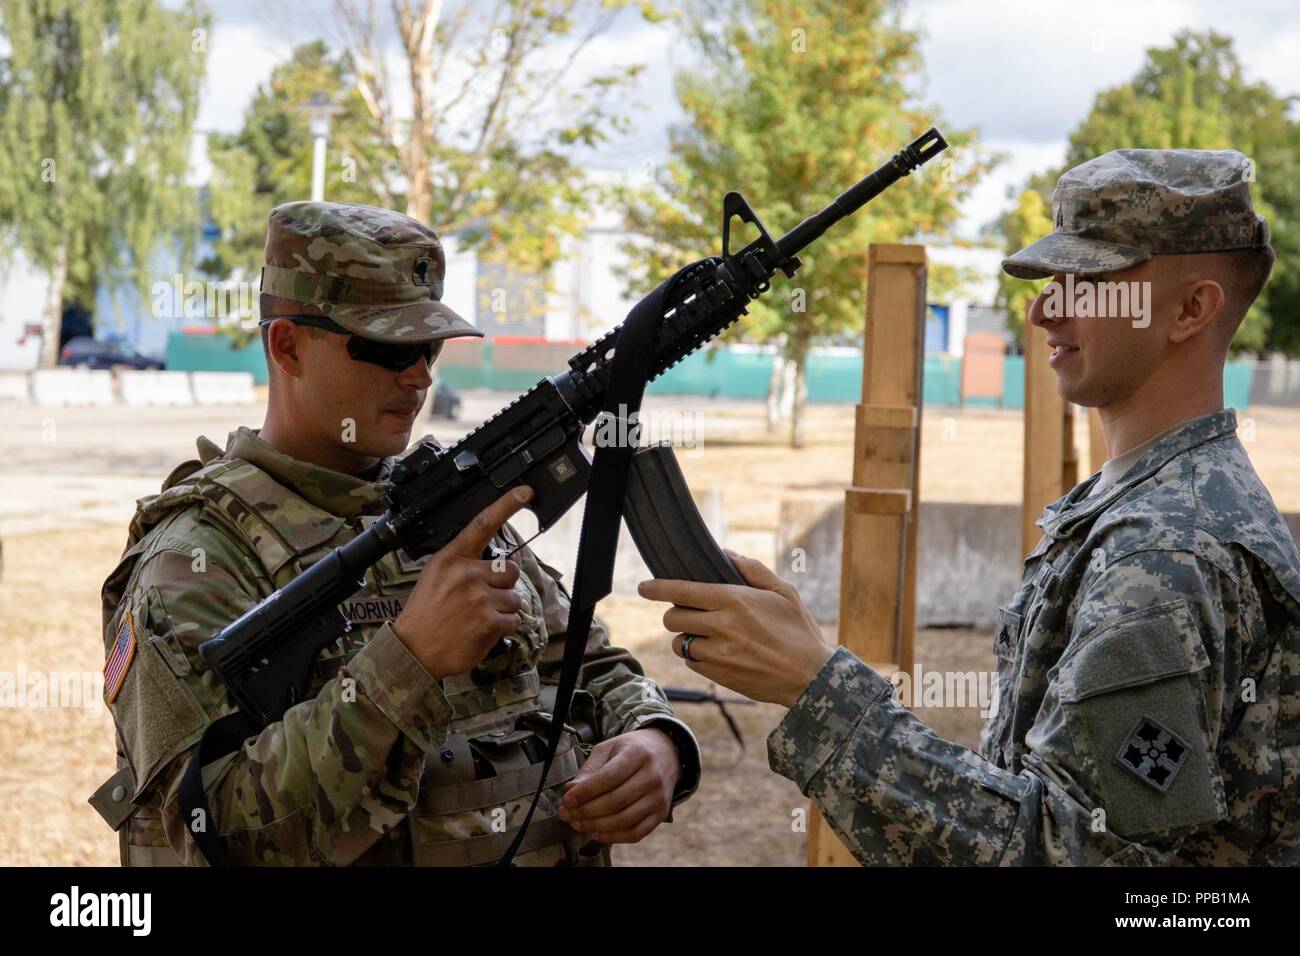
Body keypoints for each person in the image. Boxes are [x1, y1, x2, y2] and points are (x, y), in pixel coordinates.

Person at [637, 148, 1300, 865]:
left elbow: (1073, 855)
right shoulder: (1152, 502)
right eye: (1051, 279)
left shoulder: (1169, 546)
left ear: (1192, 309)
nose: (1045, 308)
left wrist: (818, 689)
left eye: (1087, 281)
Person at [90, 200, 699, 866]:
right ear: (287, 345)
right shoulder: (194, 560)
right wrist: (407, 661)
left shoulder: (456, 508)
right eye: (384, 347)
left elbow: (590, 669)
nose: (419, 376)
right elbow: (206, 832)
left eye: (427, 347)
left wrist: (657, 740)